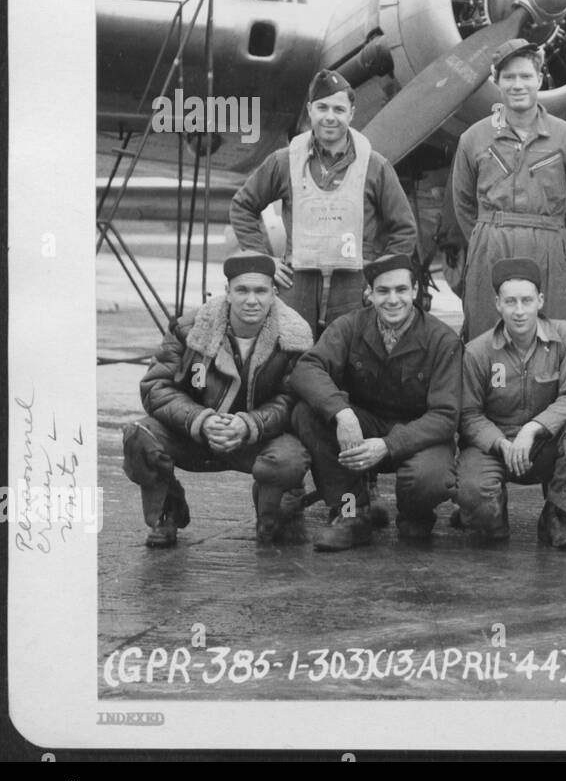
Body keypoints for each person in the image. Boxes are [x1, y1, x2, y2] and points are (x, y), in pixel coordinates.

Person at [121, 252, 313, 548]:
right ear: (227, 292)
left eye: (260, 291)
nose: (252, 300)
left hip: (256, 438)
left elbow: (294, 399)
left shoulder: (294, 337)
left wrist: (249, 424)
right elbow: (155, 386)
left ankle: (275, 509)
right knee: (139, 436)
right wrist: (202, 419)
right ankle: (167, 509)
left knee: (289, 463)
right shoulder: (190, 328)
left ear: (274, 293)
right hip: (195, 434)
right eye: (242, 290)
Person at [290, 254, 461, 551]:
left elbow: (445, 416)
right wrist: (342, 413)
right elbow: (307, 368)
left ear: (416, 290)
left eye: (401, 290)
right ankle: (351, 512)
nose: (393, 300)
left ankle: (415, 514)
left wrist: (388, 445)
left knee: (428, 478)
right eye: (383, 291)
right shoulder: (350, 326)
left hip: (419, 435)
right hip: (361, 428)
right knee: (307, 413)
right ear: (369, 293)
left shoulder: (442, 340)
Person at [230, 69, 418, 337]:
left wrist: (381, 276)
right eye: (322, 107)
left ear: (351, 113)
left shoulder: (375, 166)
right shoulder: (284, 161)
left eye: (339, 109)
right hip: (297, 286)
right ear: (309, 110)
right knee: (292, 360)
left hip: (354, 287)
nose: (330, 117)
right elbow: (242, 207)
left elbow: (404, 229)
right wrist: (264, 259)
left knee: (350, 364)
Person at [451, 39, 566, 340]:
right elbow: (463, 202)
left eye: (526, 76)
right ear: (496, 81)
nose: (518, 85)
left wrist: (559, 246)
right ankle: (491, 387)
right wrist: (484, 239)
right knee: (486, 334)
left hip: (548, 246)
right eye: (509, 77)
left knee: (553, 334)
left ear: (540, 79)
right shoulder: (473, 139)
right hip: (491, 244)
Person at [456, 257, 566, 549]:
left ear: (541, 300)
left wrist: (534, 427)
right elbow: (468, 414)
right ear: (498, 303)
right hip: (497, 448)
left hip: (546, 443)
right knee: (482, 510)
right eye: (511, 302)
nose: (519, 311)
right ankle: (488, 509)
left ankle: (558, 514)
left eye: (527, 300)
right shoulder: (476, 352)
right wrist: (500, 443)